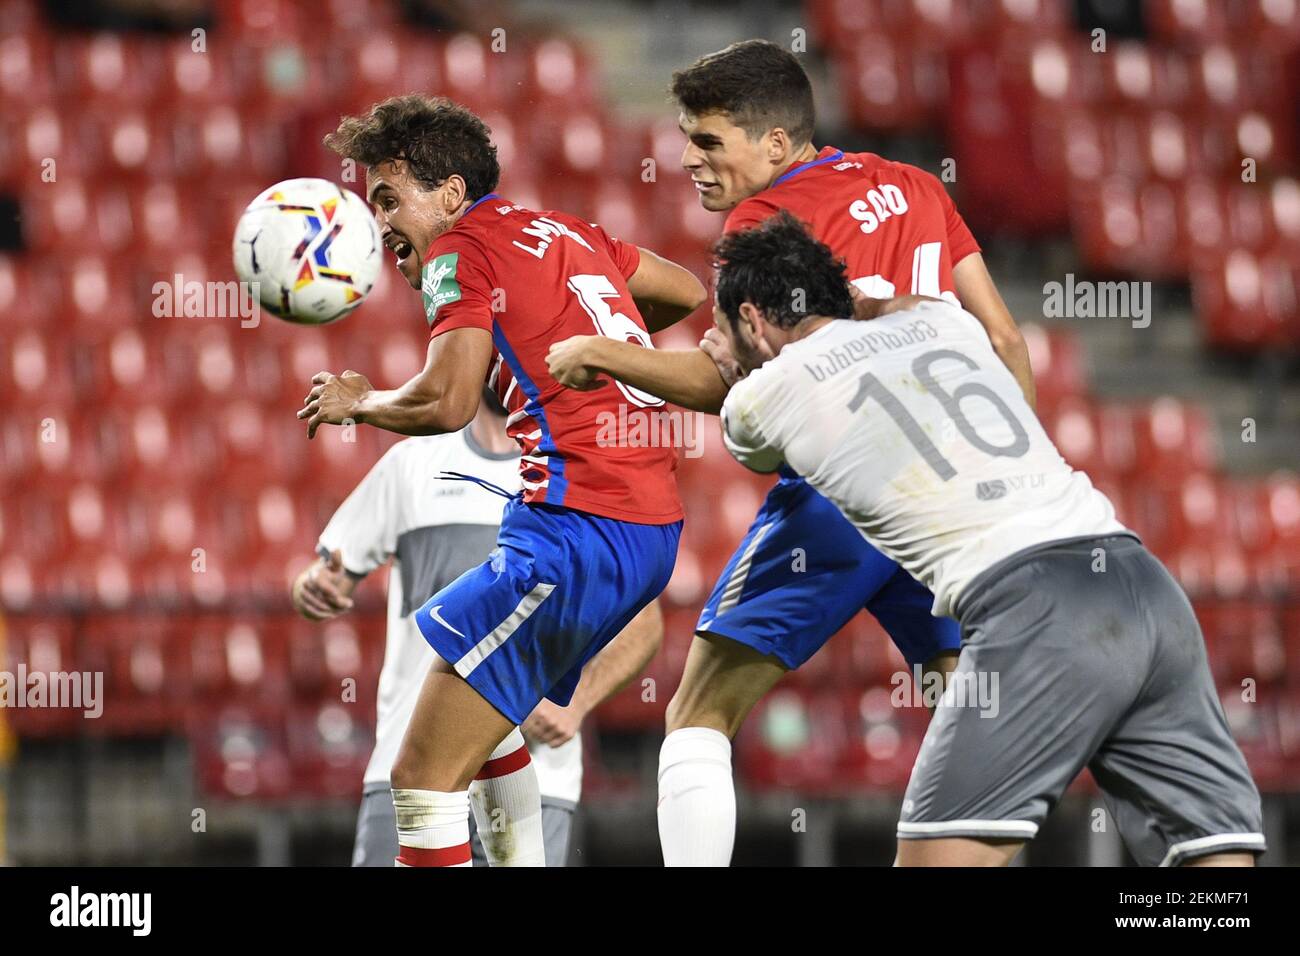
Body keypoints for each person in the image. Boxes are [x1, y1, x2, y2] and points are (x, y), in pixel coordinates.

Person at [546, 39, 1030, 865]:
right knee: (974, 718)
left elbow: (717, 378)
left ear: (775, 144)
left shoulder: (764, 222)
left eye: (707, 142)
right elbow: (1004, 338)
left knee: (697, 714)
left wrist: (599, 353)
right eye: (686, 138)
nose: (687, 159)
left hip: (845, 491)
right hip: (952, 502)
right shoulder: (913, 183)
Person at [709, 210, 1264, 867]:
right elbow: (910, 310)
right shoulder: (944, 321)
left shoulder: (764, 392)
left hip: (1037, 607)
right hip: (1142, 582)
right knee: (1215, 863)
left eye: (724, 330)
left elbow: (757, 439)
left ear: (750, 319)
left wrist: (732, 368)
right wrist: (871, 304)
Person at [300, 94, 704, 865]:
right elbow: (685, 289)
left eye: (389, 197)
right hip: (636, 523)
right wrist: (583, 335)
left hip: (578, 527)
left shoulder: (461, 250)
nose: (379, 221)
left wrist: (362, 402)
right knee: (484, 726)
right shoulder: (568, 232)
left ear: (450, 195)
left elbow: (448, 401)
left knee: (418, 778)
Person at [290, 389, 664, 866]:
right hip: (407, 763)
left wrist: (577, 703)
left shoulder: (581, 479)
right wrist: (314, 588)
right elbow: (327, 574)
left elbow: (644, 621)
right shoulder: (410, 466)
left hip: (537, 777)